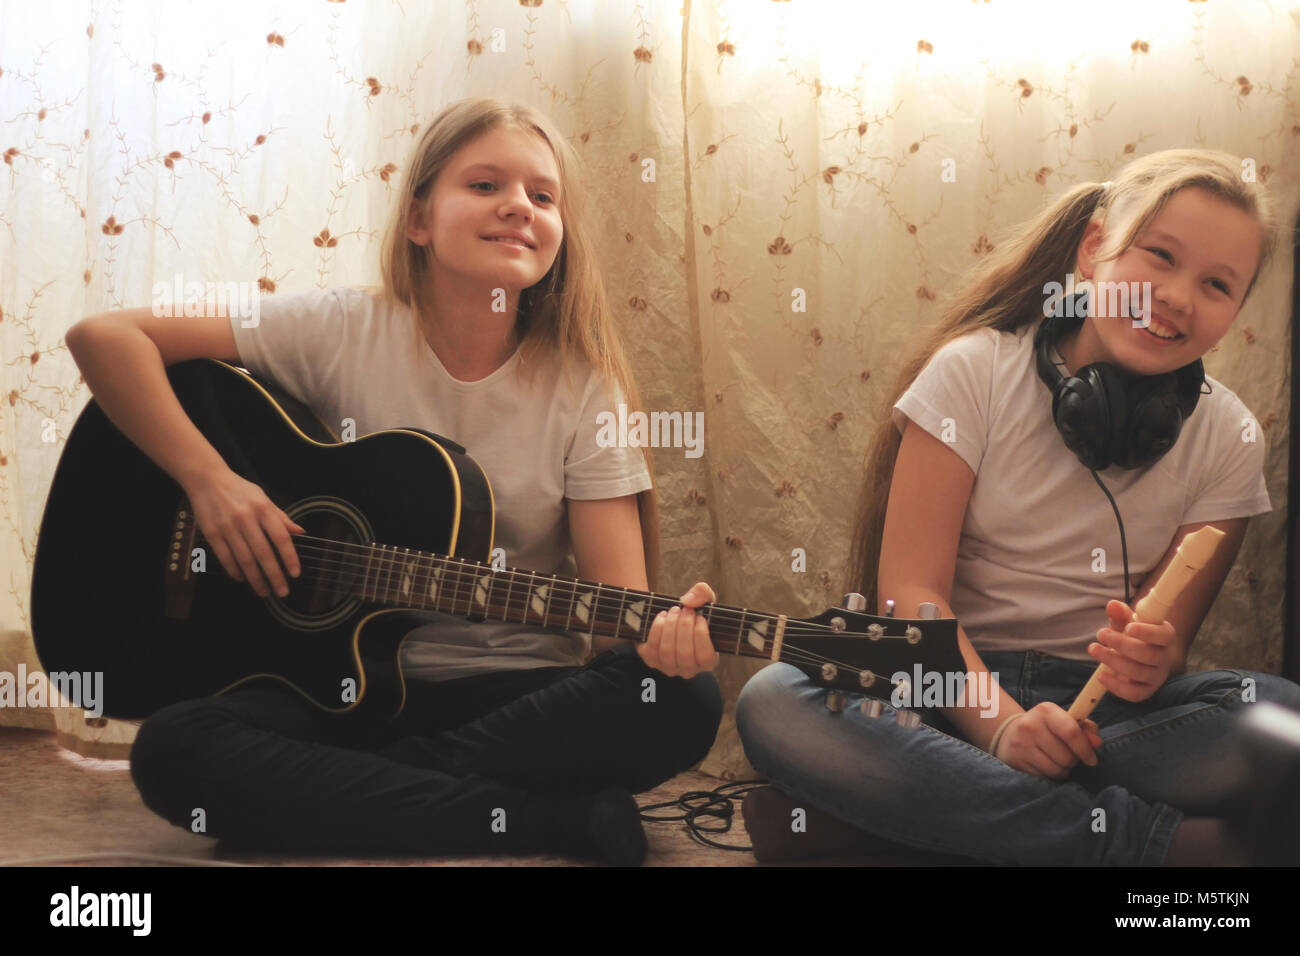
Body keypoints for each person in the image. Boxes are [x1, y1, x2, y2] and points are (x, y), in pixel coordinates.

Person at [67, 98, 722, 865]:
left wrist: (663, 647)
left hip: (509, 700)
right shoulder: (342, 329)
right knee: (175, 749)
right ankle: (543, 821)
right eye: (485, 186)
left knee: (681, 701)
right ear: (418, 219)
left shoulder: (585, 390)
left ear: (559, 236)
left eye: (543, 197)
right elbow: (105, 337)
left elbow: (619, 621)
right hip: (322, 688)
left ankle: (341, 798)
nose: (518, 205)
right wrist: (212, 483)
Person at [736, 149, 1300, 866]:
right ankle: (1149, 847)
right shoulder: (974, 370)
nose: (1180, 296)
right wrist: (1000, 728)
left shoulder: (1230, 435)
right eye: (1159, 256)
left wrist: (1152, 661)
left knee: (1279, 719)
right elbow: (911, 594)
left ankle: (894, 829)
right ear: (1094, 248)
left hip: (1103, 719)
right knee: (777, 699)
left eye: (1217, 284)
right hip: (944, 686)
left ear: (1235, 313)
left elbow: (1171, 642)